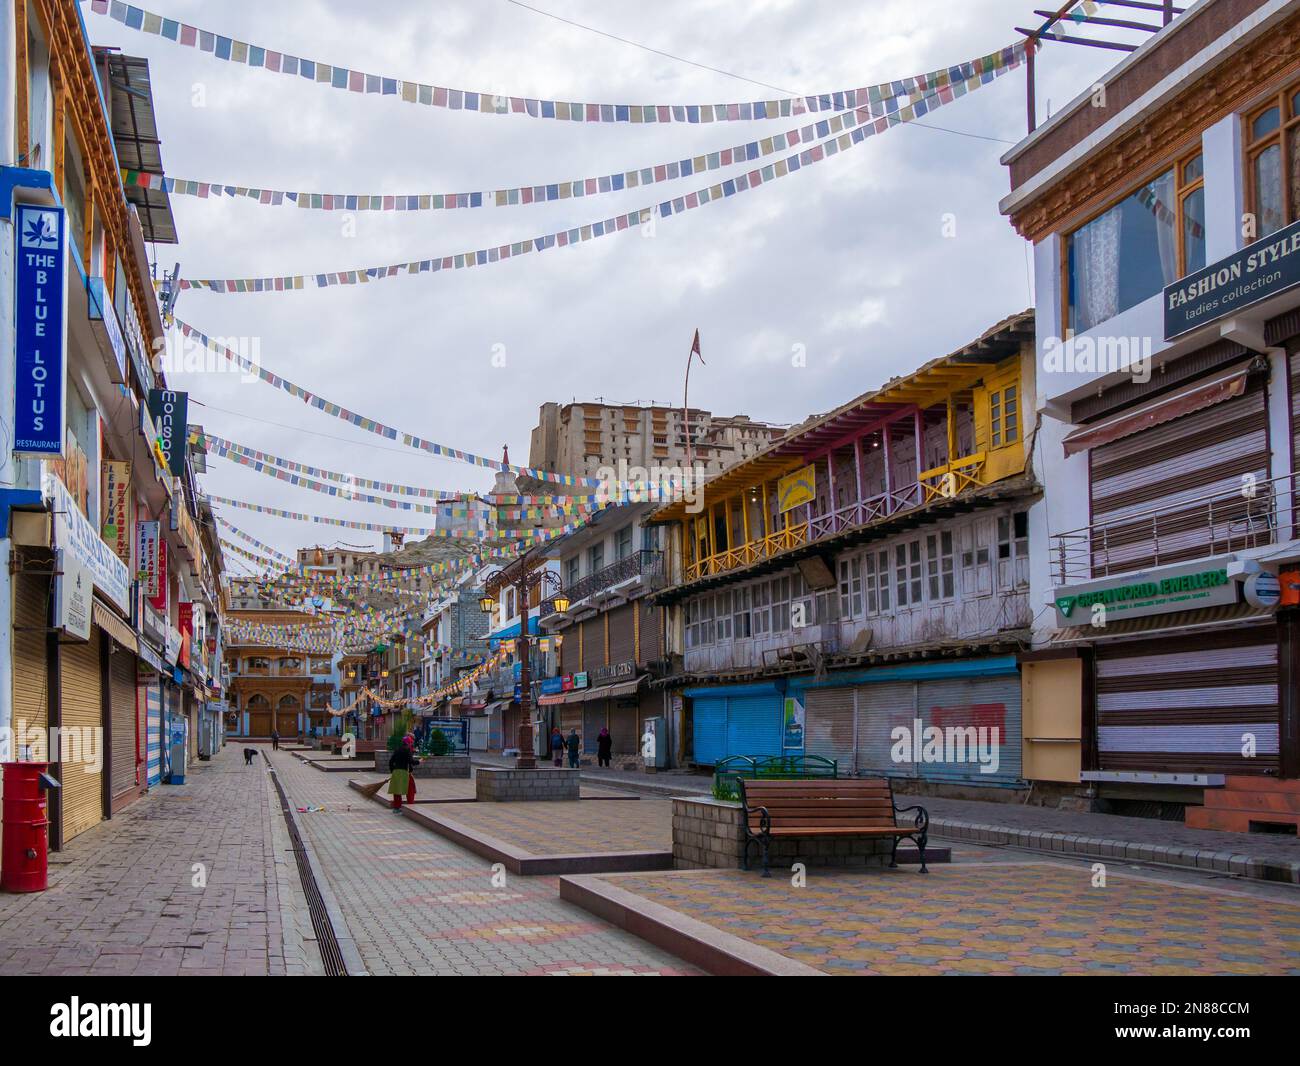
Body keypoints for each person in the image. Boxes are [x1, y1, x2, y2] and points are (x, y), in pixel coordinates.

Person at [388, 735, 418, 811]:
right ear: (409, 742)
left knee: (397, 791)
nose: (411, 743)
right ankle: (411, 806)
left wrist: (392, 771)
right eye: (411, 742)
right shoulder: (407, 750)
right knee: (410, 789)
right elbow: (411, 761)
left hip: (396, 772)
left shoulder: (397, 749)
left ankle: (397, 808)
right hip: (405, 772)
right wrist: (419, 761)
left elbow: (391, 761)